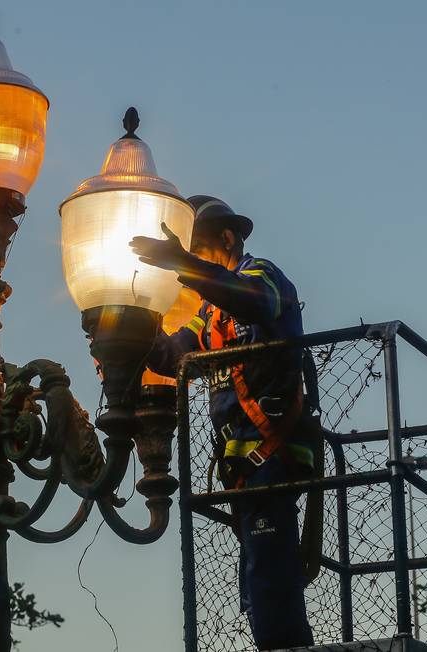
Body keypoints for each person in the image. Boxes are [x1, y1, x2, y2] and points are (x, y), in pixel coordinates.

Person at [130, 195, 315, 649]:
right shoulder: (209, 312)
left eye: (197, 250)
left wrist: (180, 262)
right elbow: (173, 356)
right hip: (243, 465)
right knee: (256, 579)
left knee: (267, 575)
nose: (192, 265)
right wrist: (130, 321)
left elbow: (253, 302)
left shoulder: (262, 276)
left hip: (274, 450)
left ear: (227, 239)